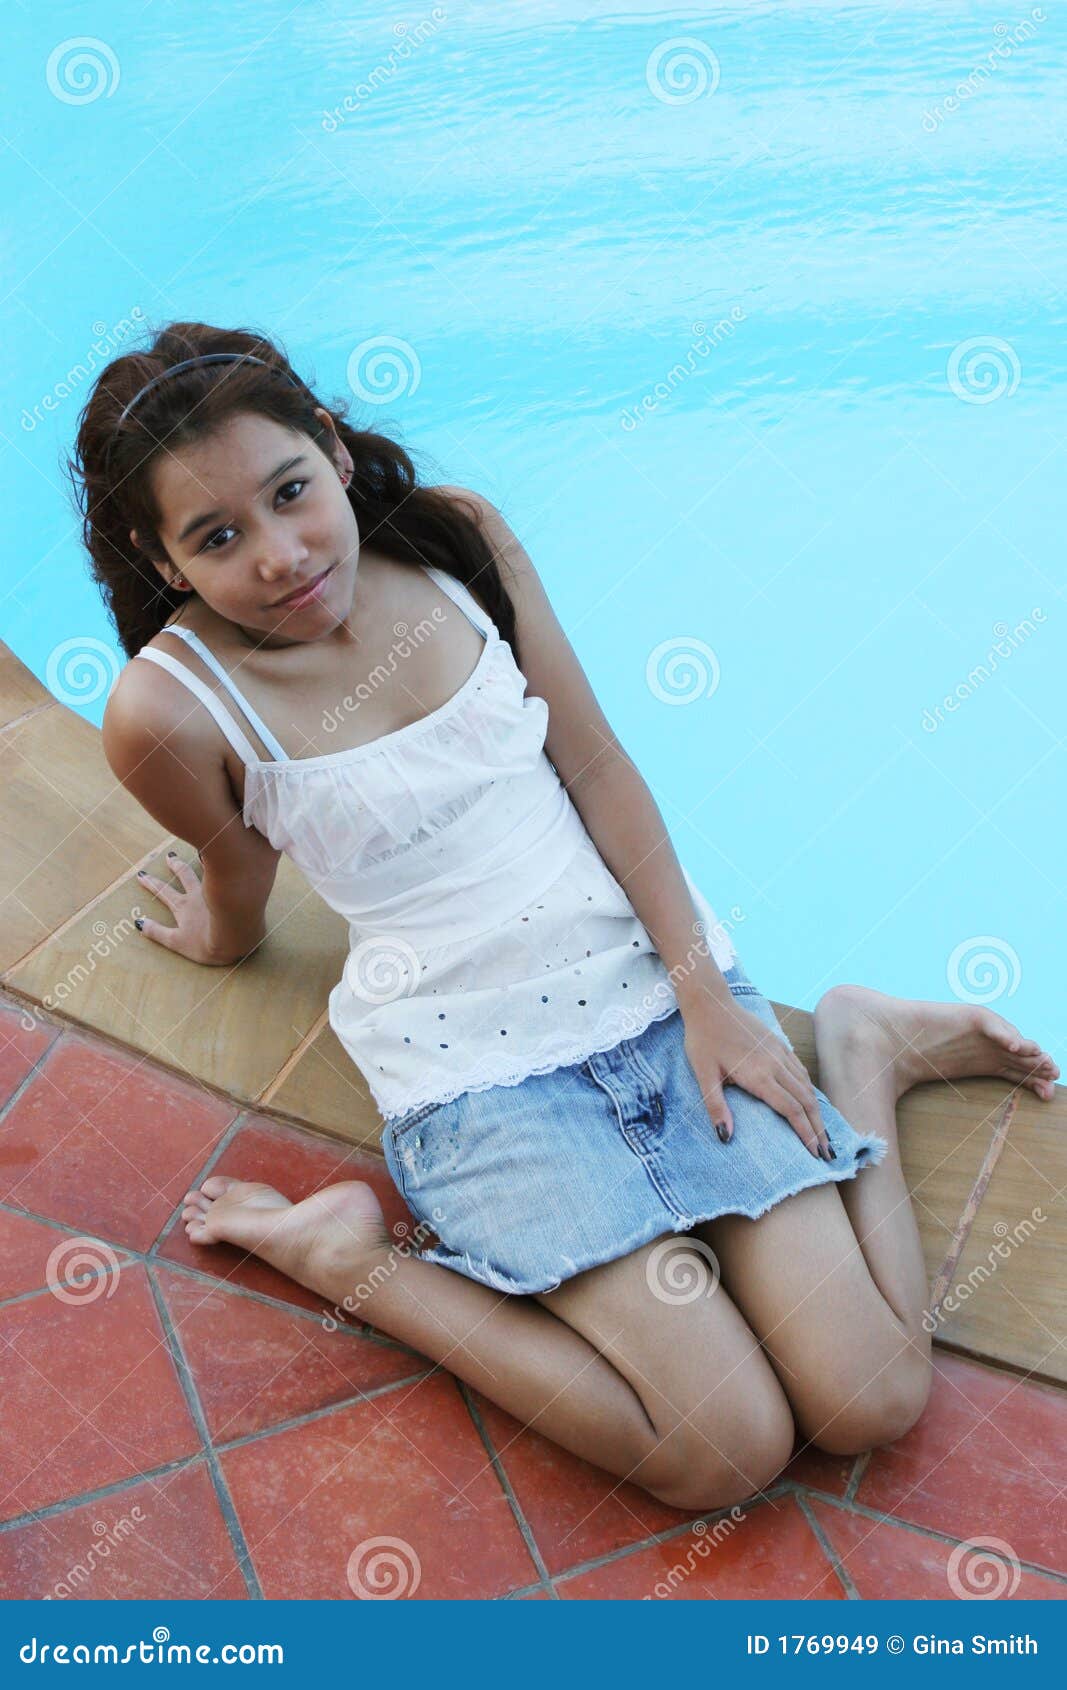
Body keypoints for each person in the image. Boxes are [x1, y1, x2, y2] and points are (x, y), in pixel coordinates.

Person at [73, 321, 1059, 1514]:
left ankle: (861, 1048)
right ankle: (351, 1261)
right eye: (218, 536)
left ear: (330, 449)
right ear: (159, 555)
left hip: (653, 994)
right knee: (721, 1451)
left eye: (290, 492)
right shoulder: (167, 710)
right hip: (478, 1078)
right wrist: (215, 936)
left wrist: (702, 991)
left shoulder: (454, 542)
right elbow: (241, 880)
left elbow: (594, 764)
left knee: (871, 1398)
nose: (281, 555)